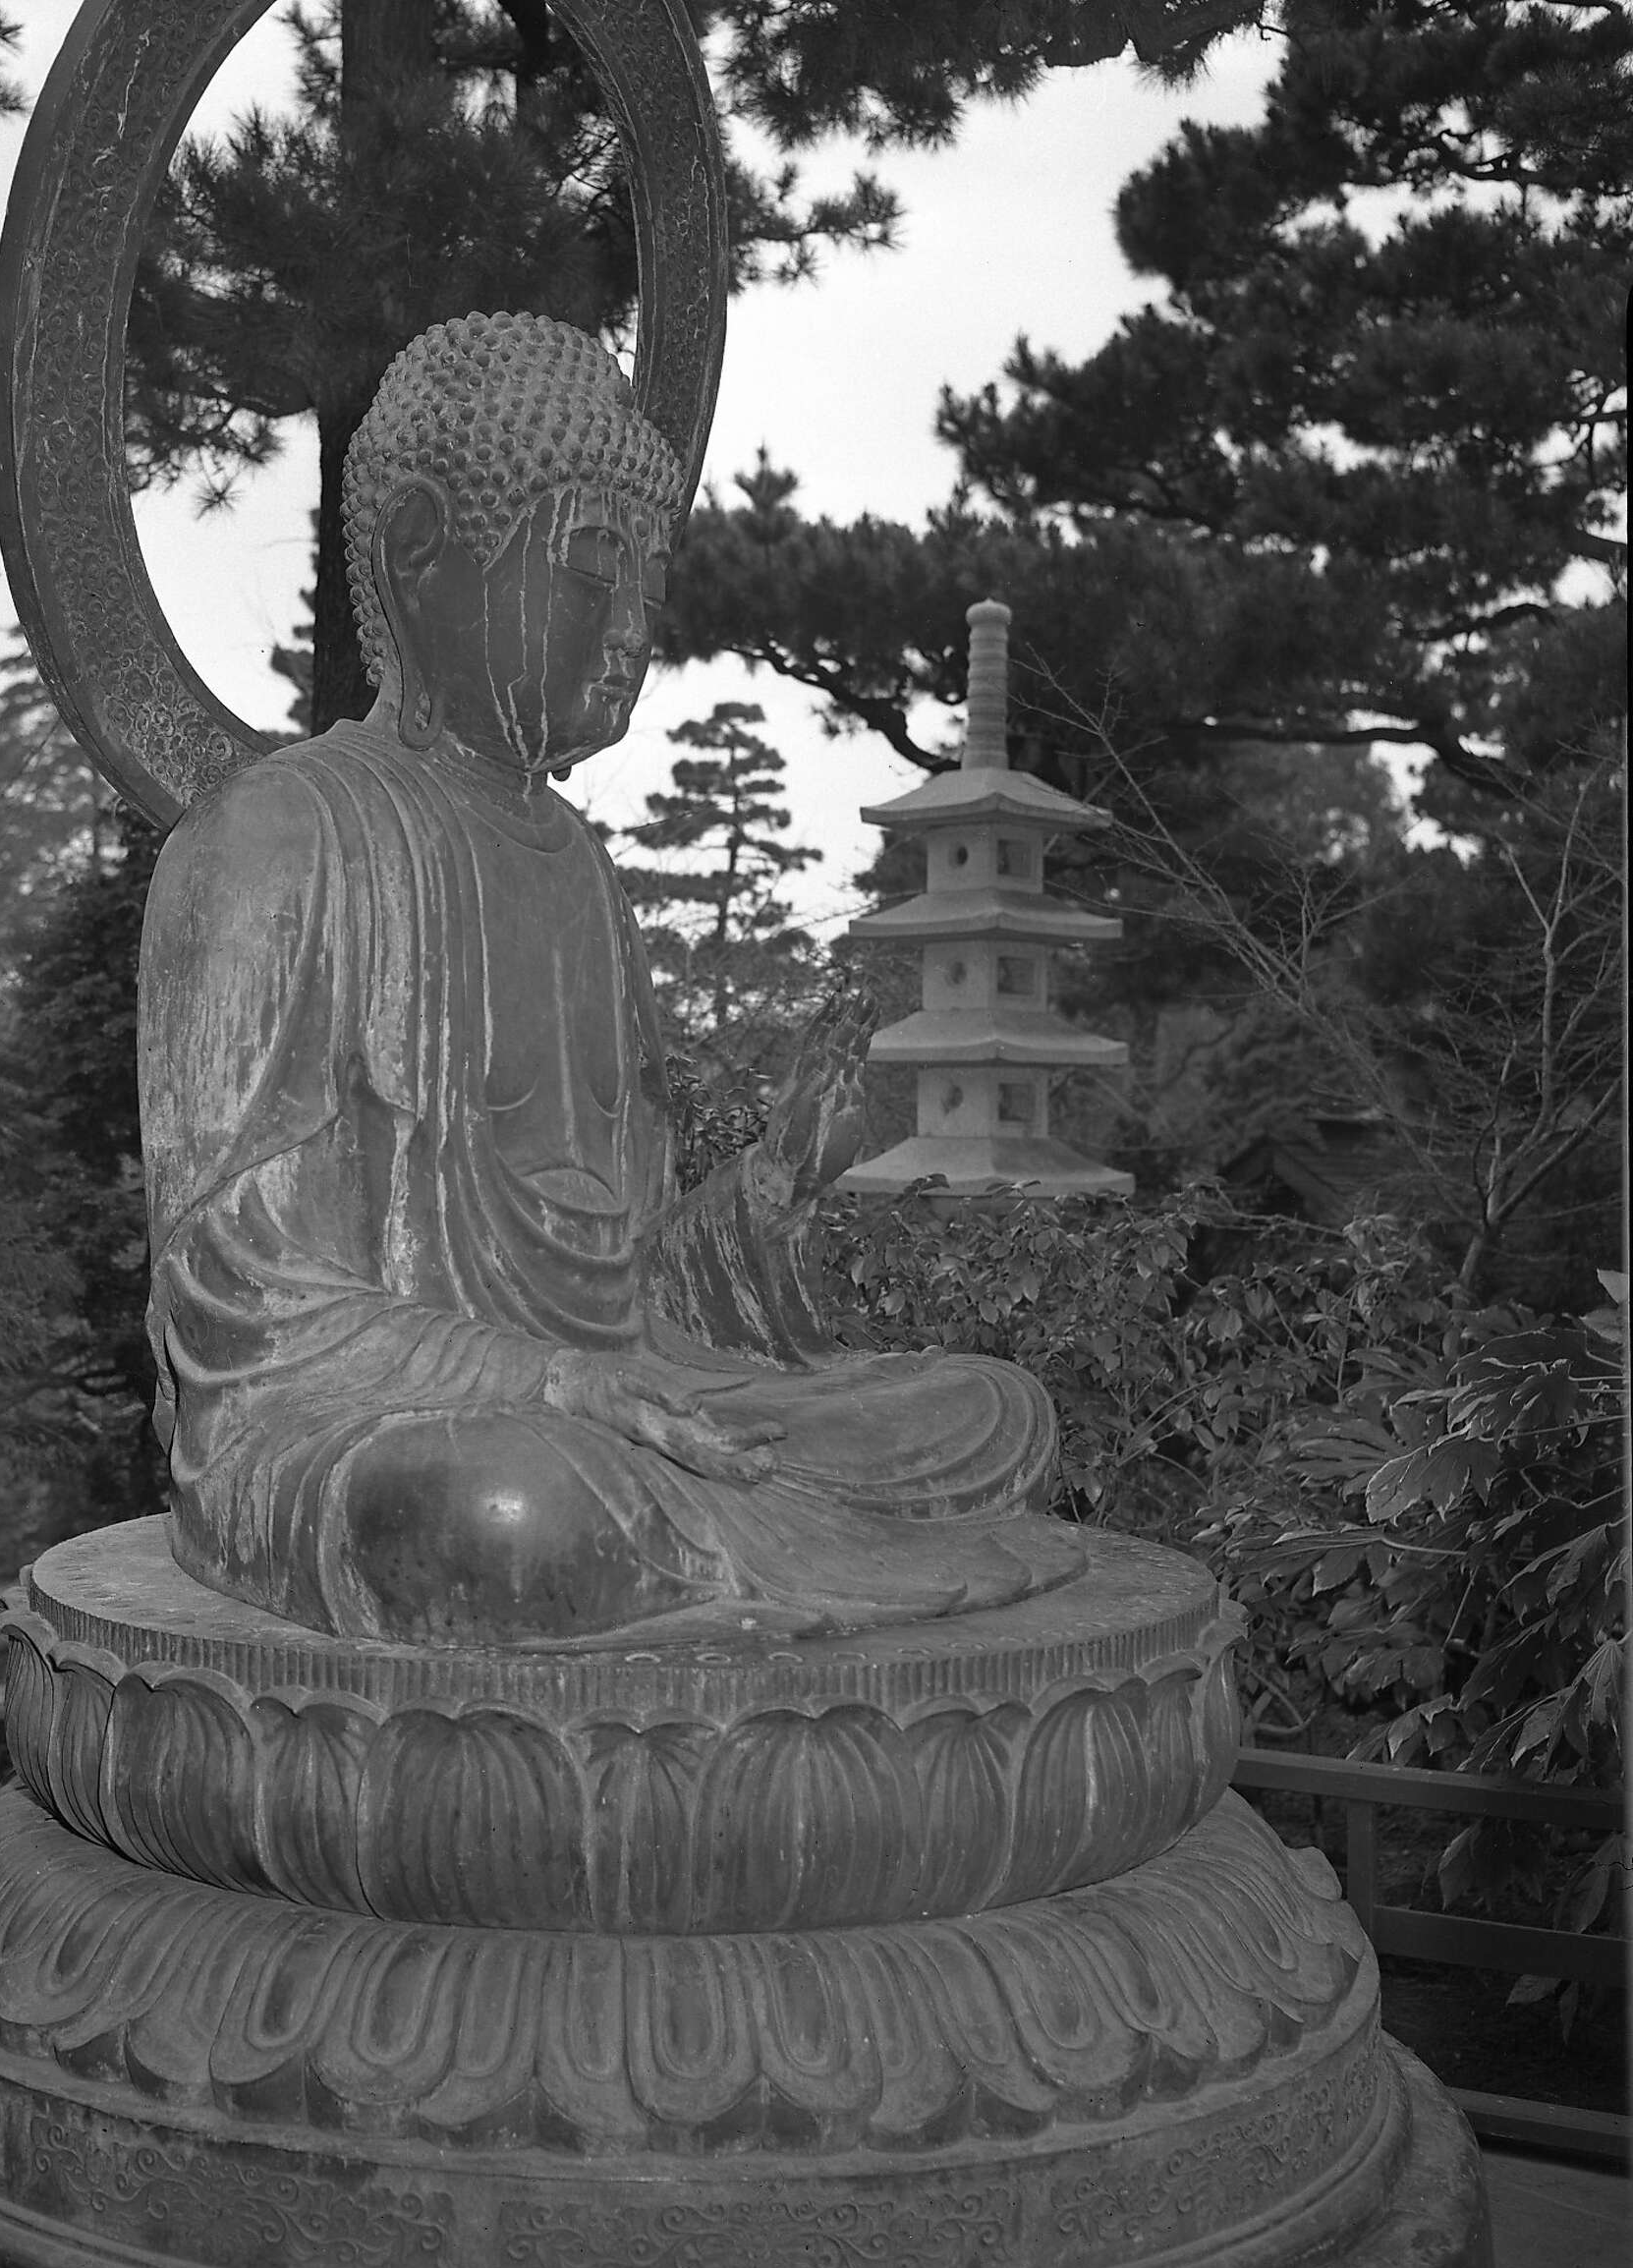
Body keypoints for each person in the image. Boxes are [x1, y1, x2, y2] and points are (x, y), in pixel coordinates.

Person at [138, 312, 1084, 1646]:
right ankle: (706, 1566)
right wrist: (537, 1385)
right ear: (417, 552)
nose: (634, 623)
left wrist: (766, 1190)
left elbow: (633, 1290)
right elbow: (240, 1306)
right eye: (592, 569)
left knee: (992, 1417)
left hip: (610, 1407)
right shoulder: (279, 840)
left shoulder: (579, 869)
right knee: (510, 1519)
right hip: (367, 1433)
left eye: (649, 580)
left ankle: (709, 1554)